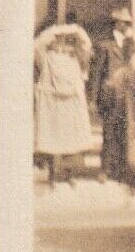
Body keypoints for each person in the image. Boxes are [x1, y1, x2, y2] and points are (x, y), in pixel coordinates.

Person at [33, 19, 94, 184]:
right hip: (52, 105)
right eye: (58, 41)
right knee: (52, 139)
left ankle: (68, 175)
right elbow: (37, 45)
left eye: (65, 41)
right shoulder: (45, 58)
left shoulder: (76, 59)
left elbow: (86, 45)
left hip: (69, 106)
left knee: (70, 139)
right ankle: (52, 173)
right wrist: (54, 31)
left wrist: (76, 30)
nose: (61, 45)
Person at [91, 8, 135, 183]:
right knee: (109, 133)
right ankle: (105, 169)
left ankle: (121, 169)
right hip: (109, 94)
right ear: (117, 24)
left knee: (124, 133)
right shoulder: (105, 45)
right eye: (124, 23)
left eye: (128, 23)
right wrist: (94, 99)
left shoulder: (130, 45)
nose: (127, 26)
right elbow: (96, 74)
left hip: (126, 95)